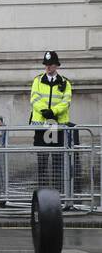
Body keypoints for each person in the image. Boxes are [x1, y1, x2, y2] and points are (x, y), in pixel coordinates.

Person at [30, 50, 72, 190]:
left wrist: (53, 111)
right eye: (46, 64)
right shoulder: (37, 80)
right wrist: (44, 111)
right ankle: (42, 191)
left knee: (57, 160)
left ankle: (58, 191)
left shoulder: (65, 83)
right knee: (42, 159)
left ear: (56, 65)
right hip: (42, 125)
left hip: (56, 125)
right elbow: (34, 99)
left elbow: (66, 102)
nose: (48, 67)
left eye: (51, 64)